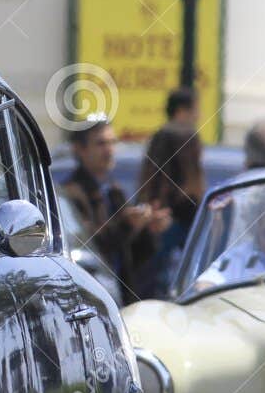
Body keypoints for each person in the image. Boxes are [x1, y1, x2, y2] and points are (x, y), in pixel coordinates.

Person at [59, 116, 169, 301]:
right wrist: (127, 225)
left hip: (119, 297)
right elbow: (90, 248)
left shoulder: (114, 191)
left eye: (112, 142)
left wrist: (148, 230)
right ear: (80, 149)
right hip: (89, 297)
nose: (109, 150)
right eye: (101, 144)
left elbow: (132, 257)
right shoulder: (71, 194)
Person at [139, 89, 204, 296]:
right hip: (181, 217)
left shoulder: (160, 135)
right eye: (195, 109)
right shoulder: (185, 134)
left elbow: (150, 177)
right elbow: (192, 182)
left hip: (160, 216)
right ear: (181, 110)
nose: (197, 115)